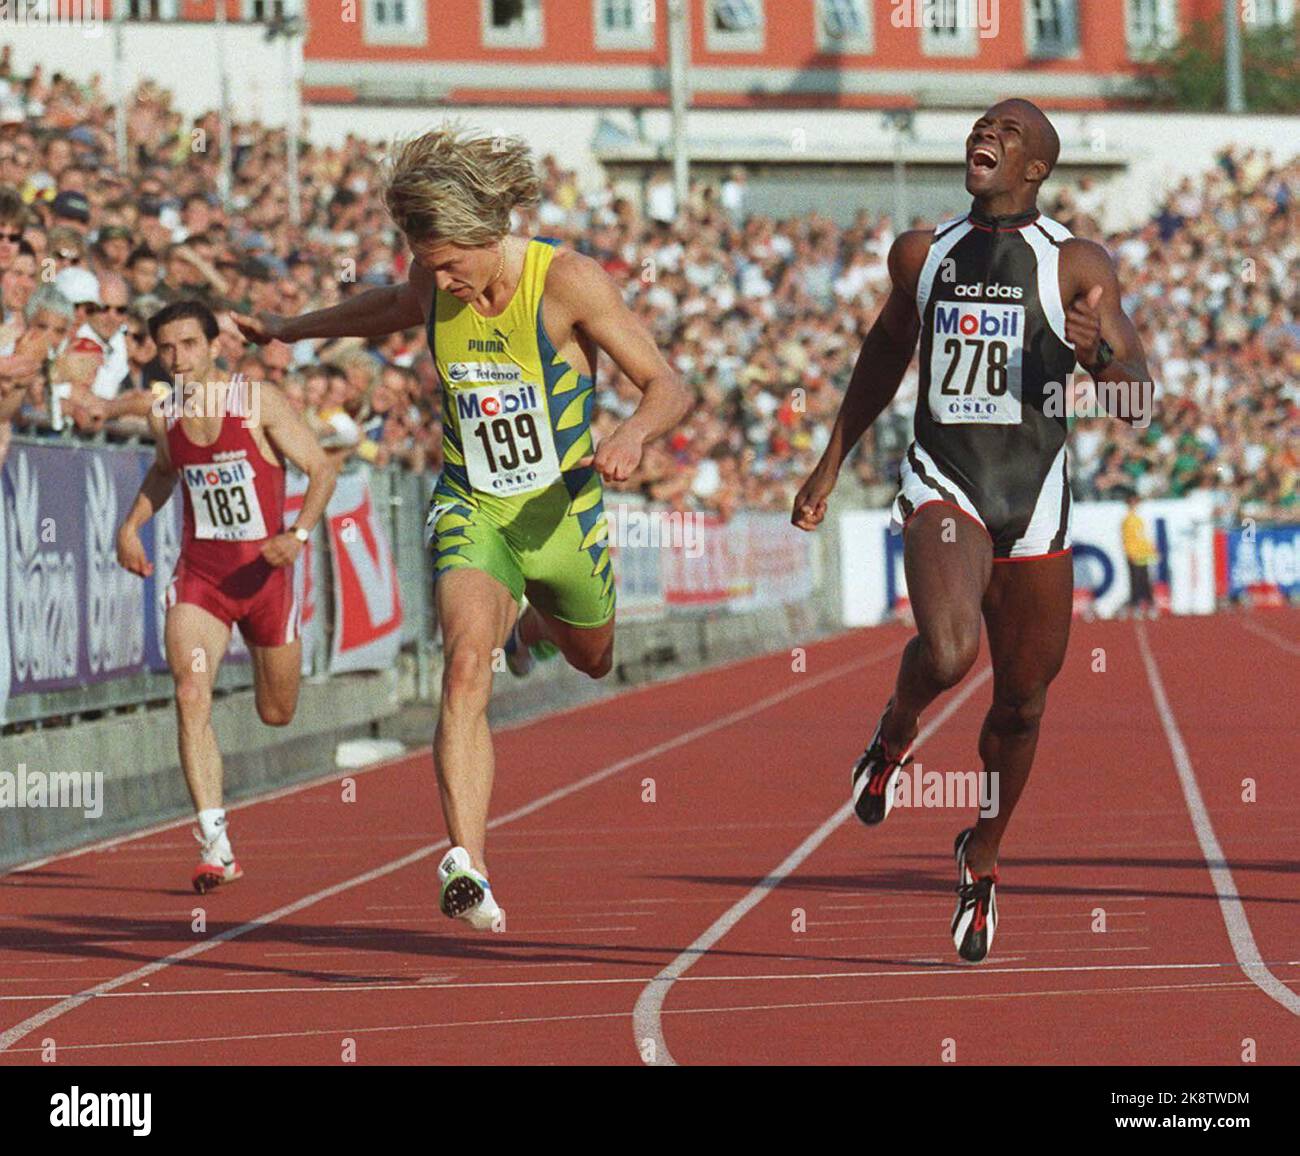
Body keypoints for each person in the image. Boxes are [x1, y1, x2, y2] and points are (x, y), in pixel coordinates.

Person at [232, 127, 689, 930]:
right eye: (430, 265)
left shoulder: (568, 282)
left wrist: (631, 434)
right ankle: (467, 864)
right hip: (472, 504)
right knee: (464, 665)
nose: (440, 281)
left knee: (595, 658)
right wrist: (293, 328)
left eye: (452, 263)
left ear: (490, 232)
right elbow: (390, 306)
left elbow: (666, 383)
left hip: (562, 511)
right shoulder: (433, 277)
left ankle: (534, 626)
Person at [793, 99, 1154, 963]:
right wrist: (831, 459)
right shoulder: (923, 255)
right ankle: (895, 730)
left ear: (1037, 167)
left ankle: (981, 854)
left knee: (1023, 702)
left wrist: (1100, 353)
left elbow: (1139, 400)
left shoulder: (1075, 265)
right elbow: (883, 355)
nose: (984, 136)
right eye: (981, 127)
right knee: (951, 652)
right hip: (944, 480)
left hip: (1035, 502)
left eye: (1008, 132)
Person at [115, 300, 337, 893]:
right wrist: (130, 526)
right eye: (165, 349)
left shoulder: (256, 400)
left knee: (276, 712)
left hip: (266, 579)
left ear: (214, 346)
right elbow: (165, 471)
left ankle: (220, 829)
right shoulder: (168, 413)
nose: (176, 359)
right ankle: (215, 843)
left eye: (188, 344)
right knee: (190, 690)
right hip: (203, 579)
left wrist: (298, 535)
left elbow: (320, 469)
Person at [1121, 493, 1158, 618]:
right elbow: (1126, 539)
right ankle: (1136, 604)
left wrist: (1151, 550)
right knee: (1135, 580)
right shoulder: (1127, 520)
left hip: (1142, 553)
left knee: (1145, 579)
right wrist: (1129, 552)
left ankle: (1149, 603)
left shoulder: (1139, 519)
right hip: (1134, 554)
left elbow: (1143, 537)